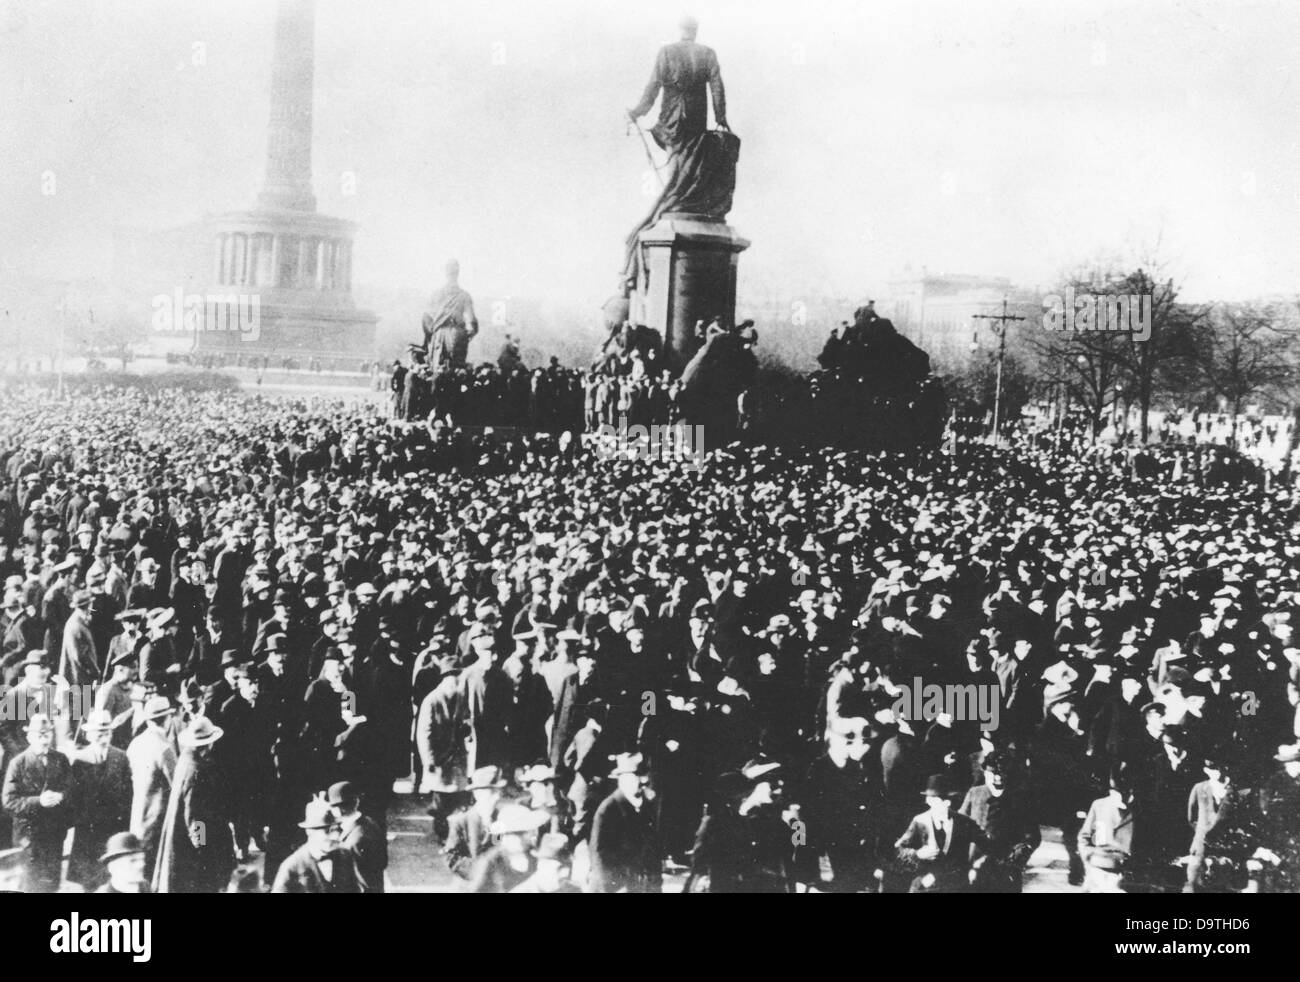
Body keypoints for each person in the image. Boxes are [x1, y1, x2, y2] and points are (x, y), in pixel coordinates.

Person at [153, 716, 235, 893]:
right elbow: (194, 813)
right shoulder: (196, 769)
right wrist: (202, 845)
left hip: (185, 832)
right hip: (195, 840)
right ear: (209, 744)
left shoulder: (187, 757)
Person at [1, 713, 71, 892]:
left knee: (52, 882)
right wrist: (38, 801)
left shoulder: (61, 759)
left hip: (54, 834)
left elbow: (71, 789)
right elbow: (9, 801)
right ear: (29, 737)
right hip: (29, 837)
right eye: (39, 735)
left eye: (47, 734)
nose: (44, 739)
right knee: (30, 883)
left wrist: (61, 797)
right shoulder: (18, 763)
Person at [68, 709, 132, 890]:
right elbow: (73, 798)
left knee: (113, 880)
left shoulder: (120, 757)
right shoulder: (79, 760)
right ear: (89, 736)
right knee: (90, 881)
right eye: (99, 733)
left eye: (107, 732)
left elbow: (128, 794)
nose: (103, 737)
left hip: (114, 829)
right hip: (88, 832)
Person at [894, 774, 986, 893]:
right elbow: (898, 850)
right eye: (929, 799)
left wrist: (977, 866)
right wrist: (918, 854)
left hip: (957, 887)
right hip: (925, 886)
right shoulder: (920, 821)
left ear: (947, 802)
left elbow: (989, 846)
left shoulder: (964, 823)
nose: (929, 803)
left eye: (935, 800)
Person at [589, 752, 662, 893]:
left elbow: (653, 848)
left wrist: (656, 884)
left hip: (642, 884)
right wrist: (614, 887)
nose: (642, 782)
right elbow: (600, 854)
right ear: (622, 779)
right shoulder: (608, 809)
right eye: (635, 777)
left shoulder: (646, 806)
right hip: (617, 885)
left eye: (642, 777)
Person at [127, 695, 177, 881]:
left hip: (138, 814)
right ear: (167, 719)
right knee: (154, 867)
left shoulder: (135, 743)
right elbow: (176, 784)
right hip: (158, 818)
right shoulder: (164, 748)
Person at [272, 798, 362, 893]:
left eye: (337, 829)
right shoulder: (291, 867)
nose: (335, 836)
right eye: (328, 831)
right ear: (309, 831)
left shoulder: (344, 855)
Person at [444, 765, 505, 880]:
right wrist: (479, 871)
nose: (497, 797)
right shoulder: (461, 821)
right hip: (470, 882)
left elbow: (497, 845)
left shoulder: (498, 819)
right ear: (477, 794)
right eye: (492, 792)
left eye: (498, 791)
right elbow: (451, 858)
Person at [329, 781, 387, 893]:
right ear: (356, 802)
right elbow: (383, 861)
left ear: (338, 810)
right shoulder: (370, 822)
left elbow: (364, 883)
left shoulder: (354, 841)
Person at [423, 260, 479, 374]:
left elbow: (426, 318)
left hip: (438, 336)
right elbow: (471, 321)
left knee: (437, 369)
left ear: (445, 273)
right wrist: (469, 333)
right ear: (458, 273)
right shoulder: (464, 295)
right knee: (457, 370)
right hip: (457, 335)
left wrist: (432, 333)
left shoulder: (436, 294)